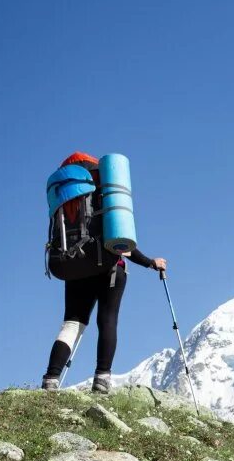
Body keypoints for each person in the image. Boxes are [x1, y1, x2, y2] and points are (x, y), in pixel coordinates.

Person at [41, 152, 166, 393]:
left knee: (71, 324)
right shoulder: (102, 192)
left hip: (73, 266)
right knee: (107, 320)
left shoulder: (64, 197)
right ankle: (102, 378)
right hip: (109, 267)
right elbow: (122, 242)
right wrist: (151, 262)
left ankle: (51, 379)